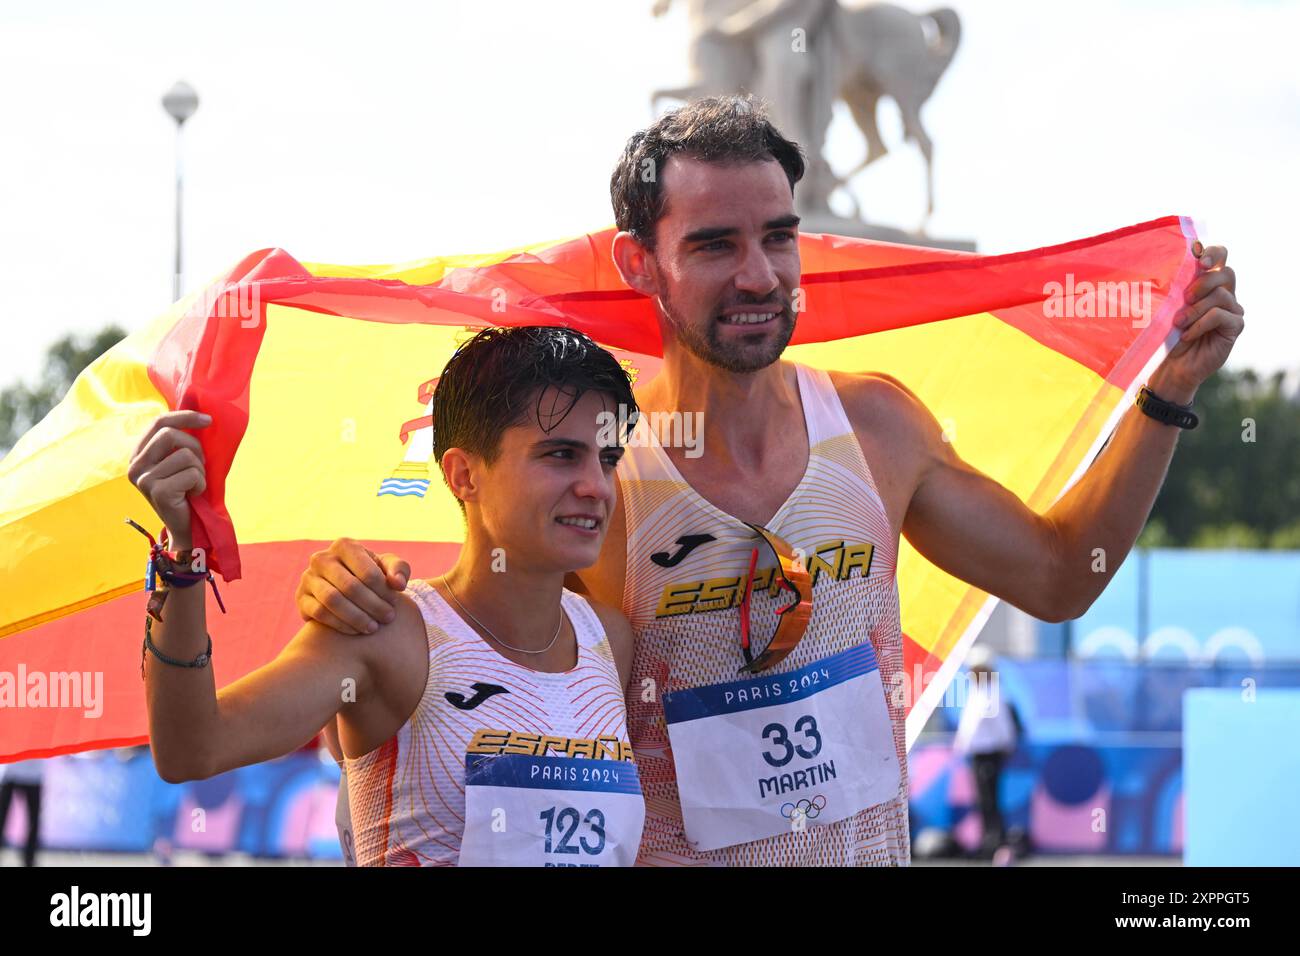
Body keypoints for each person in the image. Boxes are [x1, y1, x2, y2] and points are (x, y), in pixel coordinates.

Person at [294, 96, 1244, 866]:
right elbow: (481, 662)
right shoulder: (603, 477)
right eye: (714, 245)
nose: (759, 276)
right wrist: (362, 611)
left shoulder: (874, 427)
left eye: (778, 239)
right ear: (642, 263)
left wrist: (1164, 397)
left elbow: (1058, 576)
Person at [128, 326, 645, 866]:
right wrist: (183, 552)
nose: (596, 486)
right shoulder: (387, 632)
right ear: (464, 474)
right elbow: (192, 747)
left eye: (607, 459)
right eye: (562, 455)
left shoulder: (610, 640)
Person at [952, 646, 1020, 860]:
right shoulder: (978, 691)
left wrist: (1005, 745)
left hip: (989, 753)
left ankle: (995, 843)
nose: (971, 674)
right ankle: (989, 841)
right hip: (979, 754)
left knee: (990, 800)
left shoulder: (992, 692)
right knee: (984, 801)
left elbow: (1001, 726)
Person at [0, 758, 45, 866]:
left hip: (34, 774)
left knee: (34, 821)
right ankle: (29, 857)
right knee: (1, 817)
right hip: (11, 772)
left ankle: (29, 857)